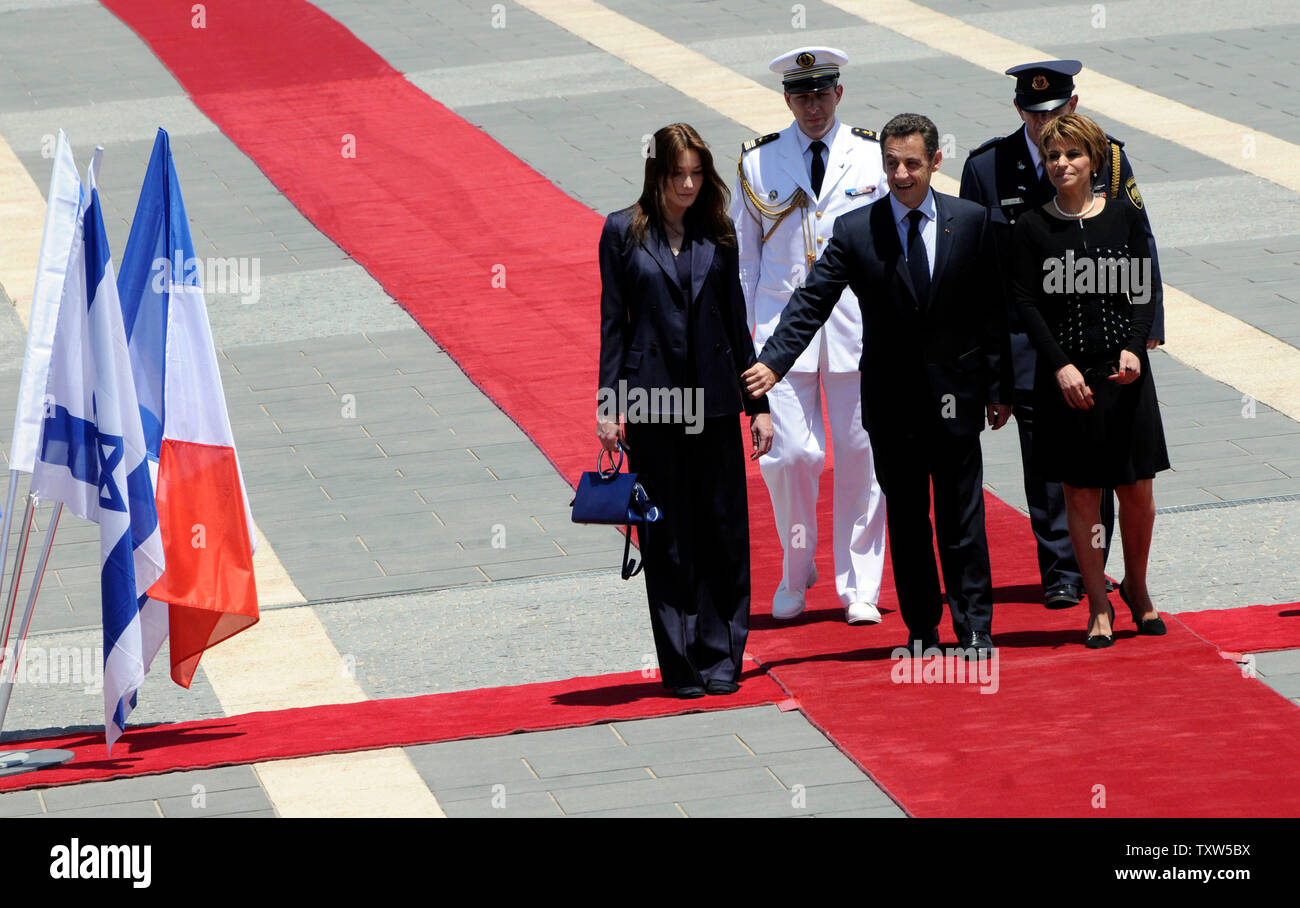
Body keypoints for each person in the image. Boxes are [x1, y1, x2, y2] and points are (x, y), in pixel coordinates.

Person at [743, 113, 1013, 656]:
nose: (901, 174)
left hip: (955, 396)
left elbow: (991, 310)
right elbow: (811, 301)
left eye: (913, 162)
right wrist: (773, 363)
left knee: (962, 518)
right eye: (892, 163)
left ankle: (975, 624)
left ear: (936, 162)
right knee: (910, 520)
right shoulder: (857, 230)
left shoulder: (972, 221)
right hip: (892, 403)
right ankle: (921, 627)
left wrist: (998, 387)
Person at [959, 60, 1165, 610]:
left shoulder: (1109, 155)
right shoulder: (987, 167)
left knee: (1111, 462)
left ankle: (1098, 566)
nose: (1041, 122)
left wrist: (1147, 333)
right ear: (1018, 109)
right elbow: (980, 270)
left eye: (1052, 110)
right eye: (1031, 111)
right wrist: (987, 363)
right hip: (1027, 342)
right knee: (1048, 465)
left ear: (1072, 106)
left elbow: (1138, 242)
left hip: (1103, 338)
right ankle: (1061, 571)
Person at [597, 123, 773, 698]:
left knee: (723, 531)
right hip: (653, 405)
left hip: (716, 405)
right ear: (657, 175)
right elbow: (613, 324)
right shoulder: (622, 231)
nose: (690, 185)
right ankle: (679, 663)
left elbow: (736, 323)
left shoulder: (718, 233)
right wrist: (609, 406)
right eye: (679, 175)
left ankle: (723, 654)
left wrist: (759, 406)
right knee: (667, 537)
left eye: (698, 173)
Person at [731, 46, 889, 625]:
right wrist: (746, 340)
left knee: (860, 456)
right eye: (801, 95)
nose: (813, 105)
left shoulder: (871, 156)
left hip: (856, 325)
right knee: (791, 455)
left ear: (839, 94)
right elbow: (744, 263)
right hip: (780, 334)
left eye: (822, 93)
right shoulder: (759, 162)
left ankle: (860, 585)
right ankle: (796, 572)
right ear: (786, 99)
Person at [1009, 113, 1170, 648]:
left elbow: (1144, 287)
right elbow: (1027, 303)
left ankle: (1139, 590)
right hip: (1067, 378)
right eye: (1054, 156)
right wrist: (1058, 364)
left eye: (1073, 155)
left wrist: (1134, 347)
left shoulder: (1122, 217)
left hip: (1123, 375)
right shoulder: (1032, 226)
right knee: (1080, 494)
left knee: (1137, 490)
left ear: (1094, 160)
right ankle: (1099, 604)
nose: (1061, 165)